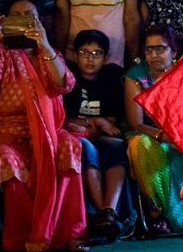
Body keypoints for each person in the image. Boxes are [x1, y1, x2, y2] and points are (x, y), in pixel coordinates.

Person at [0, 0, 88, 252]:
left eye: (28, 15)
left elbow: (65, 84)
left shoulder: (47, 52)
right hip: (5, 132)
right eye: (15, 15)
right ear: (6, 21)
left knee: (70, 147)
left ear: (39, 20)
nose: (22, 19)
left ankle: (70, 233)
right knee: (8, 160)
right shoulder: (2, 52)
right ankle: (28, 236)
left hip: (48, 131)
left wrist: (44, 44)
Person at [123, 25, 183, 237]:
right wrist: (163, 136)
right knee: (140, 146)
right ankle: (159, 211)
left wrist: (181, 137)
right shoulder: (136, 77)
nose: (154, 55)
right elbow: (136, 123)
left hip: (182, 135)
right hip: (149, 136)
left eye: (160, 49)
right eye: (149, 49)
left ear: (174, 51)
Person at [64, 30, 131, 241]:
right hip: (77, 136)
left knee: (116, 145)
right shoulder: (68, 77)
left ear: (105, 57)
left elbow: (113, 122)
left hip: (101, 135)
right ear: (75, 55)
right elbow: (65, 120)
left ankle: (108, 211)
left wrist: (95, 124)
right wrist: (97, 122)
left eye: (97, 53)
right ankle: (104, 215)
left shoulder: (111, 78)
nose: (90, 59)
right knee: (86, 148)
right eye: (84, 52)